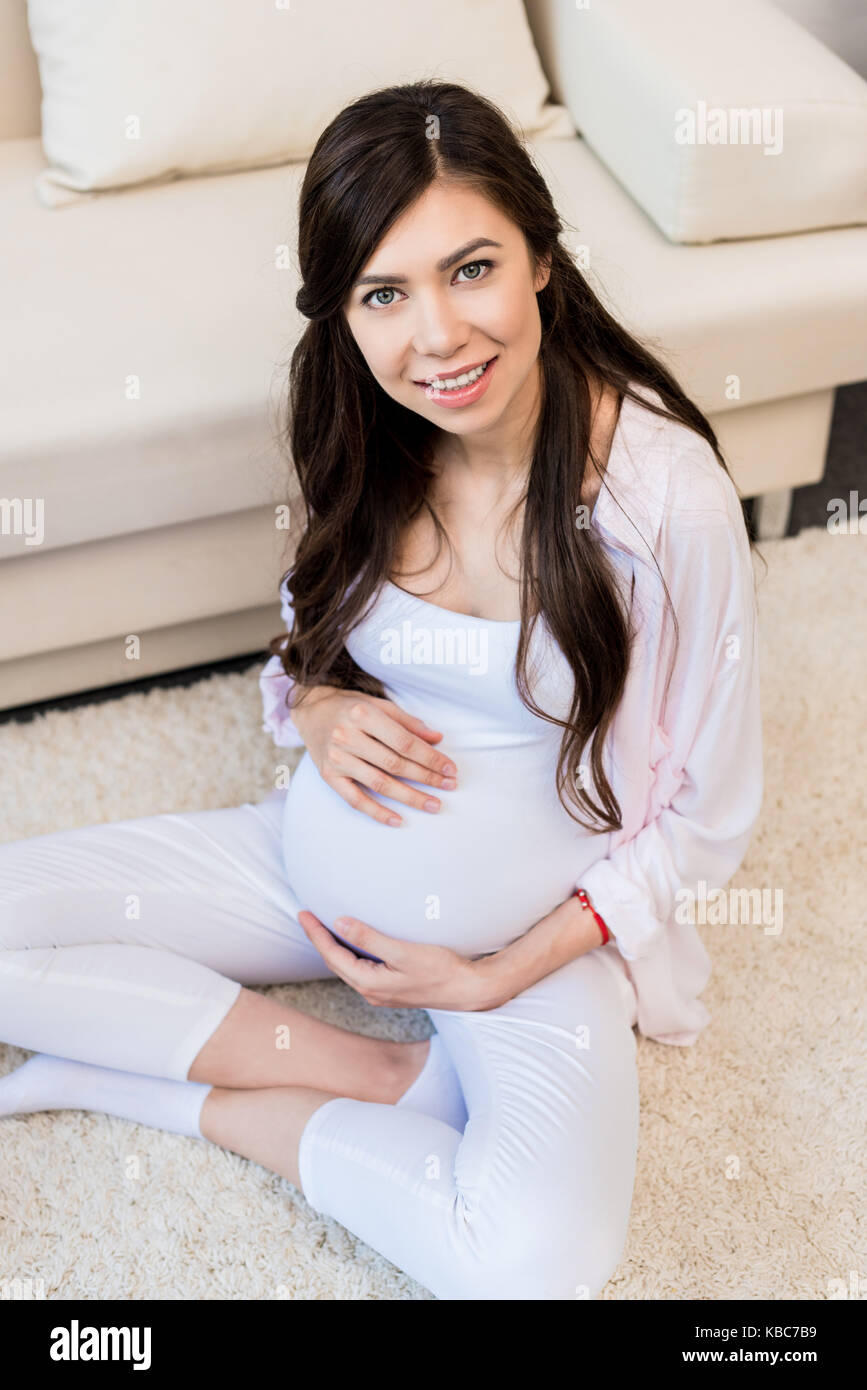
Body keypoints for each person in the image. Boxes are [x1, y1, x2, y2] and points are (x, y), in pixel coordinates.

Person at [0, 80, 764, 1300]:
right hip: (308, 869)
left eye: (472, 269)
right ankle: (383, 1079)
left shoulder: (662, 502)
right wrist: (316, 707)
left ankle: (175, 1099)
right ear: (346, 314)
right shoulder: (371, 428)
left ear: (543, 262)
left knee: (536, 1261)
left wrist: (491, 978)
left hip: (529, 944)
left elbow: (711, 822)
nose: (439, 337)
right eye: (385, 294)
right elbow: (307, 647)